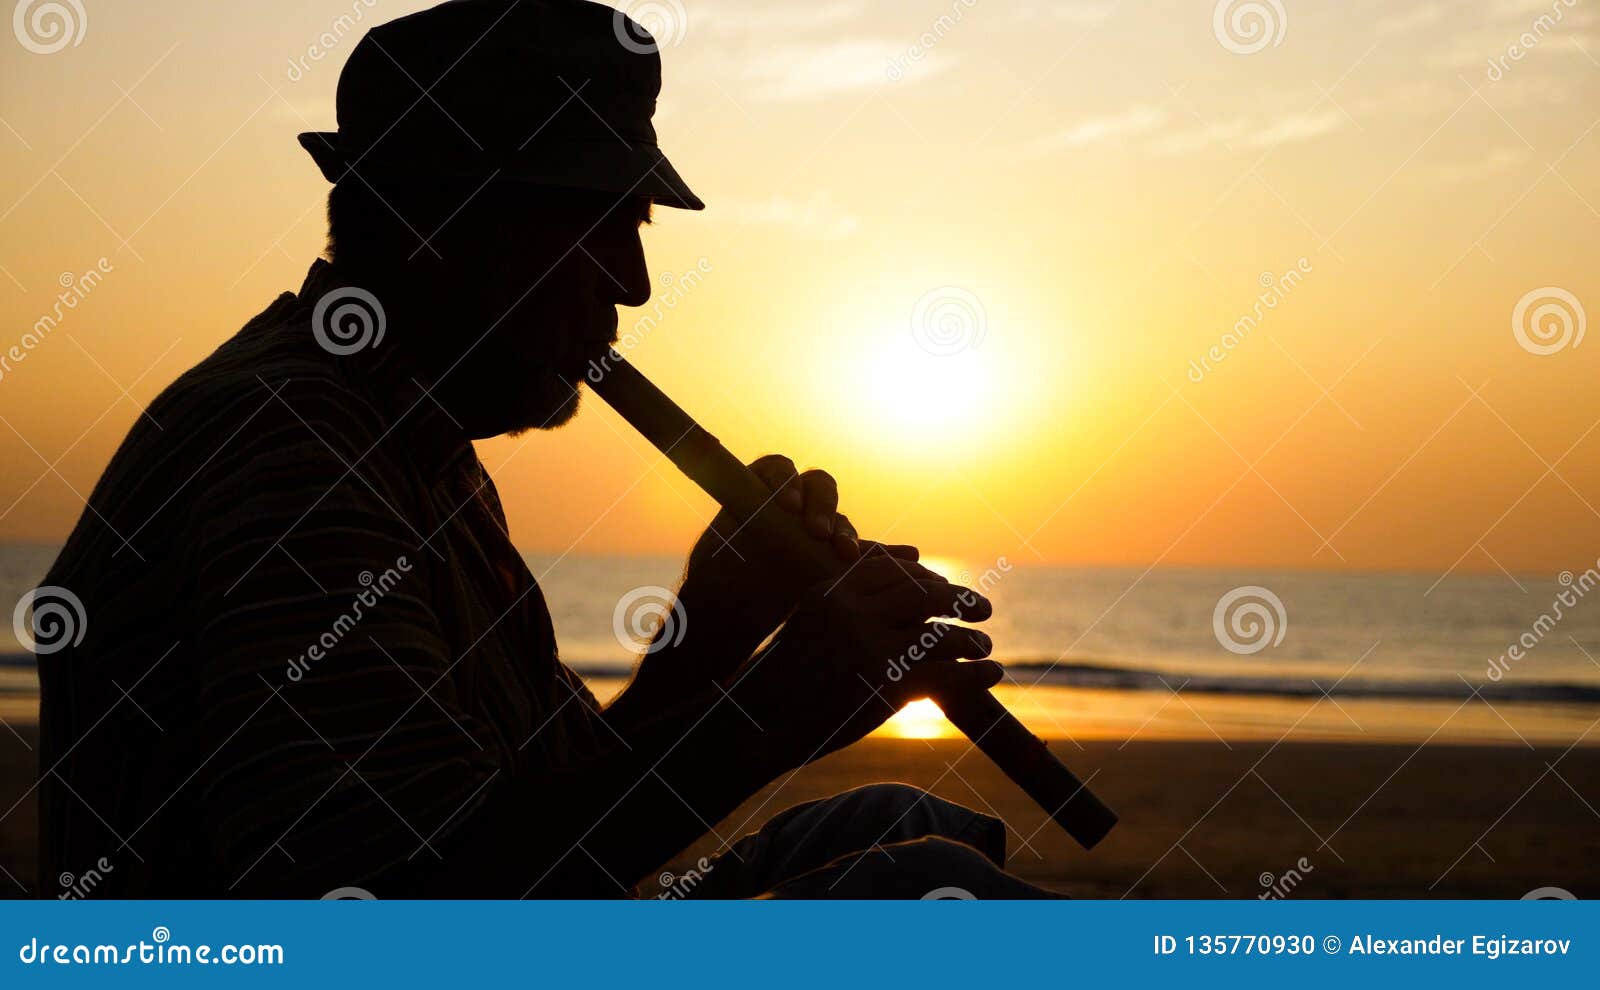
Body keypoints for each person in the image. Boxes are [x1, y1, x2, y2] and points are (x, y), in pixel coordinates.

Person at [34, 0, 1060, 898]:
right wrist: (776, 705)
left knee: (892, 829)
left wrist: (706, 635)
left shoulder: (404, 441)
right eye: (598, 228)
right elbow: (403, 907)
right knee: (924, 890)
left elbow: (535, 811)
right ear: (442, 225)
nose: (634, 285)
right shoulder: (291, 450)